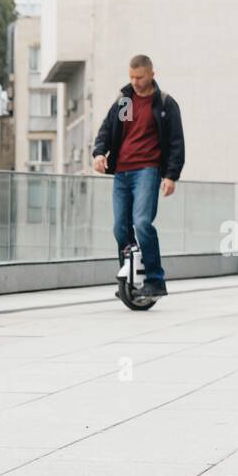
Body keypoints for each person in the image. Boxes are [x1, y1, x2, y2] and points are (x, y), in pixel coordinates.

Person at [92, 54, 185, 298]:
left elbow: (176, 143)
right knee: (120, 229)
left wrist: (171, 175)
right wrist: (99, 153)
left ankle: (155, 279)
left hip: (148, 170)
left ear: (152, 75)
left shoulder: (164, 104)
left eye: (139, 77)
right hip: (122, 171)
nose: (134, 81)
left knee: (142, 223)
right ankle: (131, 272)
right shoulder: (126, 103)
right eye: (131, 77)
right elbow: (108, 130)